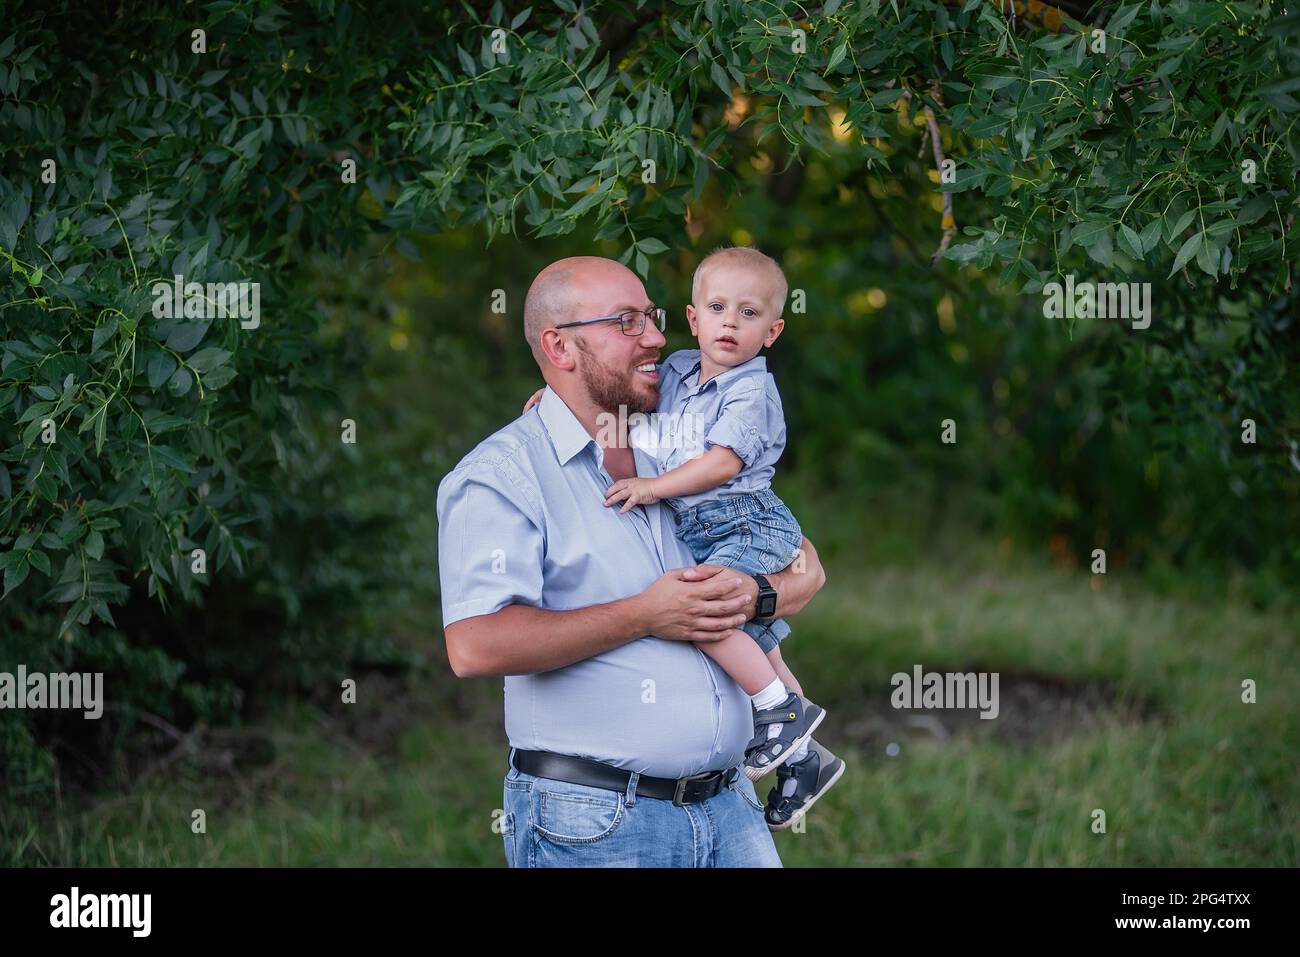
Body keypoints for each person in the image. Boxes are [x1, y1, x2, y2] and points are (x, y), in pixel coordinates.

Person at [437, 256, 826, 867]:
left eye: (651, 316)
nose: (655, 336)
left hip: (732, 809)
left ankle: (791, 729)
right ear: (560, 347)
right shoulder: (503, 475)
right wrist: (644, 616)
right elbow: (475, 646)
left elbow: (808, 569)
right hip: (596, 823)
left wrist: (756, 596)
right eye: (627, 322)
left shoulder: (668, 440)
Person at [523, 246, 845, 828]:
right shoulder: (674, 371)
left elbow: (723, 463)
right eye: (717, 308)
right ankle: (805, 755)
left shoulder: (750, 391)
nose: (730, 322)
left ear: (772, 332)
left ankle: (777, 711)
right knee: (756, 636)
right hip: (706, 524)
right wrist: (560, 403)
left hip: (744, 517)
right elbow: (621, 404)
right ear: (693, 320)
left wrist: (653, 487)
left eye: (749, 314)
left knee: (700, 607)